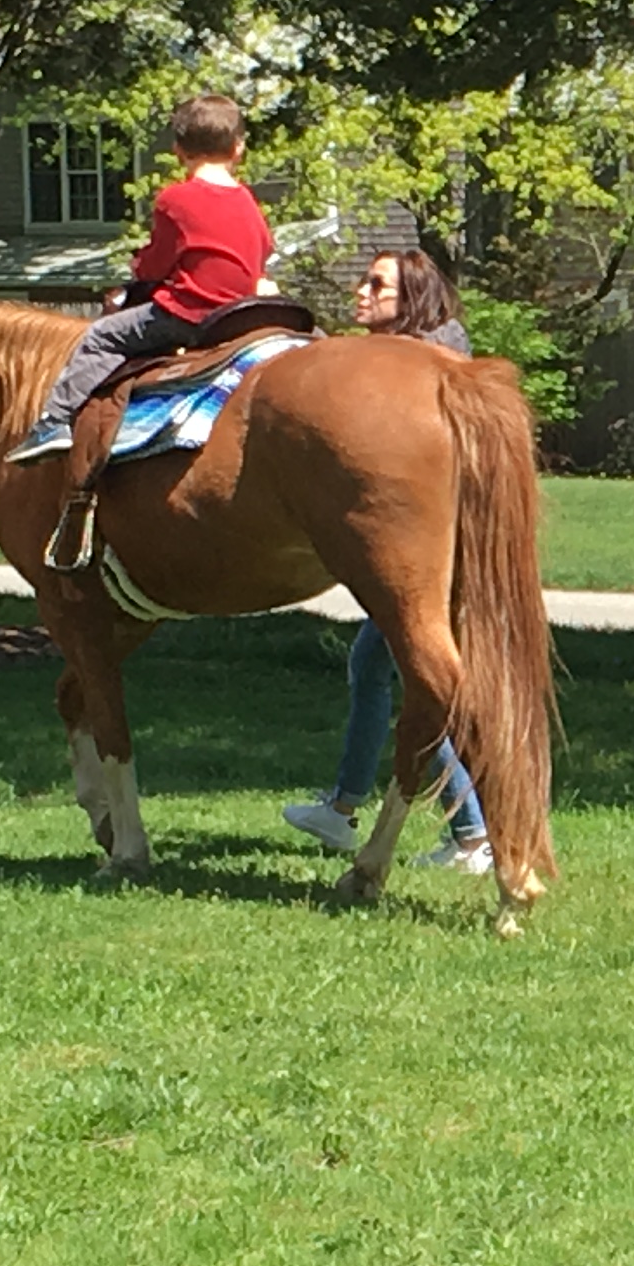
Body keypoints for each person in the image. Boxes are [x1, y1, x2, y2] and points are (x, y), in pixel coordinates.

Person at [279, 245, 492, 875]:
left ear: (413, 301)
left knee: (415, 672)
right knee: (378, 664)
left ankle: (473, 833)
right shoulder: (411, 366)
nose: (362, 291)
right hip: (443, 557)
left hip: (439, 559)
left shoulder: (426, 375)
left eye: (379, 285)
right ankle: (347, 807)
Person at [6, 94, 277, 462]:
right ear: (238, 148)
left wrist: (139, 270)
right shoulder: (247, 201)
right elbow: (262, 249)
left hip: (188, 315)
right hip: (240, 313)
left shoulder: (175, 199)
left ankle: (54, 422)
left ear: (179, 150)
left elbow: (156, 264)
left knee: (101, 337)